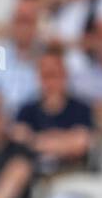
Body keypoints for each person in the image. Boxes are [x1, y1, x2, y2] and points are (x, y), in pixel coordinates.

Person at [12, 48, 94, 176]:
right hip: (34, 174)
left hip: (72, 172)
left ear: (65, 76)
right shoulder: (27, 110)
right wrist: (64, 140)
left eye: (54, 75)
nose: (50, 82)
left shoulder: (81, 108)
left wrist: (35, 140)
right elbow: (18, 140)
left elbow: (80, 144)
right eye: (45, 76)